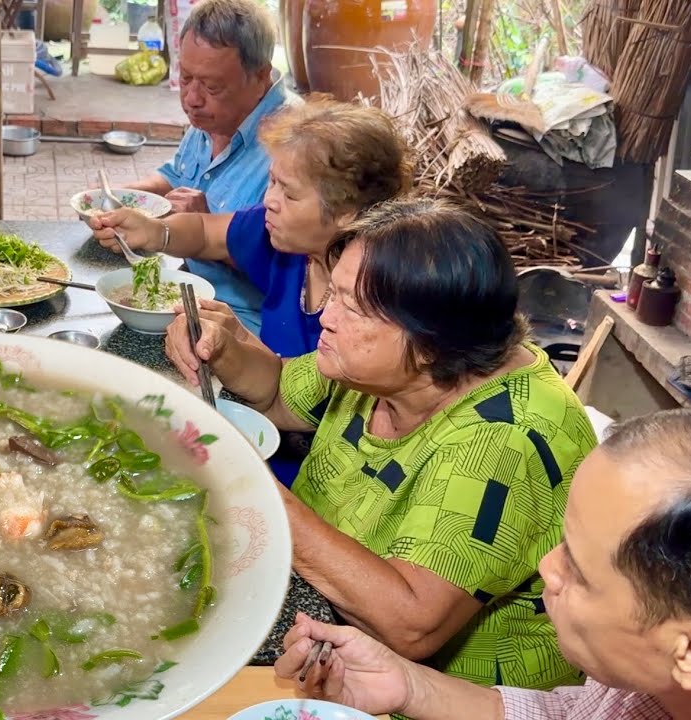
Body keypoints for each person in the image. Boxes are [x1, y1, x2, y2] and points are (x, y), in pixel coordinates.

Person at [196, 198, 595, 689]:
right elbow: (278, 390)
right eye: (333, 293)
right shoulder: (387, 368)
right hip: (332, 616)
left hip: (428, 696)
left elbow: (410, 623)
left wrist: (259, 494)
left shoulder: (505, 439)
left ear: (431, 343)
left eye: (352, 307)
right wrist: (224, 349)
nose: (325, 317)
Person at [276, 409, 691, 720]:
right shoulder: (650, 684)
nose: (547, 566)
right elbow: (569, 715)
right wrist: (406, 685)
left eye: (580, 574)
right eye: (562, 542)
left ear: (690, 649)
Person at [94, 98, 411, 485]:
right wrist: (153, 232)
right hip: (258, 431)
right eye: (272, 181)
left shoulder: (379, 304)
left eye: (289, 193)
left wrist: (234, 341)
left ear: (346, 212)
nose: (268, 201)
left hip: (315, 482)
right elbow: (210, 233)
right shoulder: (289, 244)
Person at [122, 0, 295, 334]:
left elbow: (295, 276)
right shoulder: (212, 119)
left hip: (246, 329)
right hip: (186, 297)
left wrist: (209, 231)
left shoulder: (293, 148)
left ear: (260, 76)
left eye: (212, 86)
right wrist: (118, 200)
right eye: (185, 78)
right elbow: (173, 177)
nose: (192, 98)